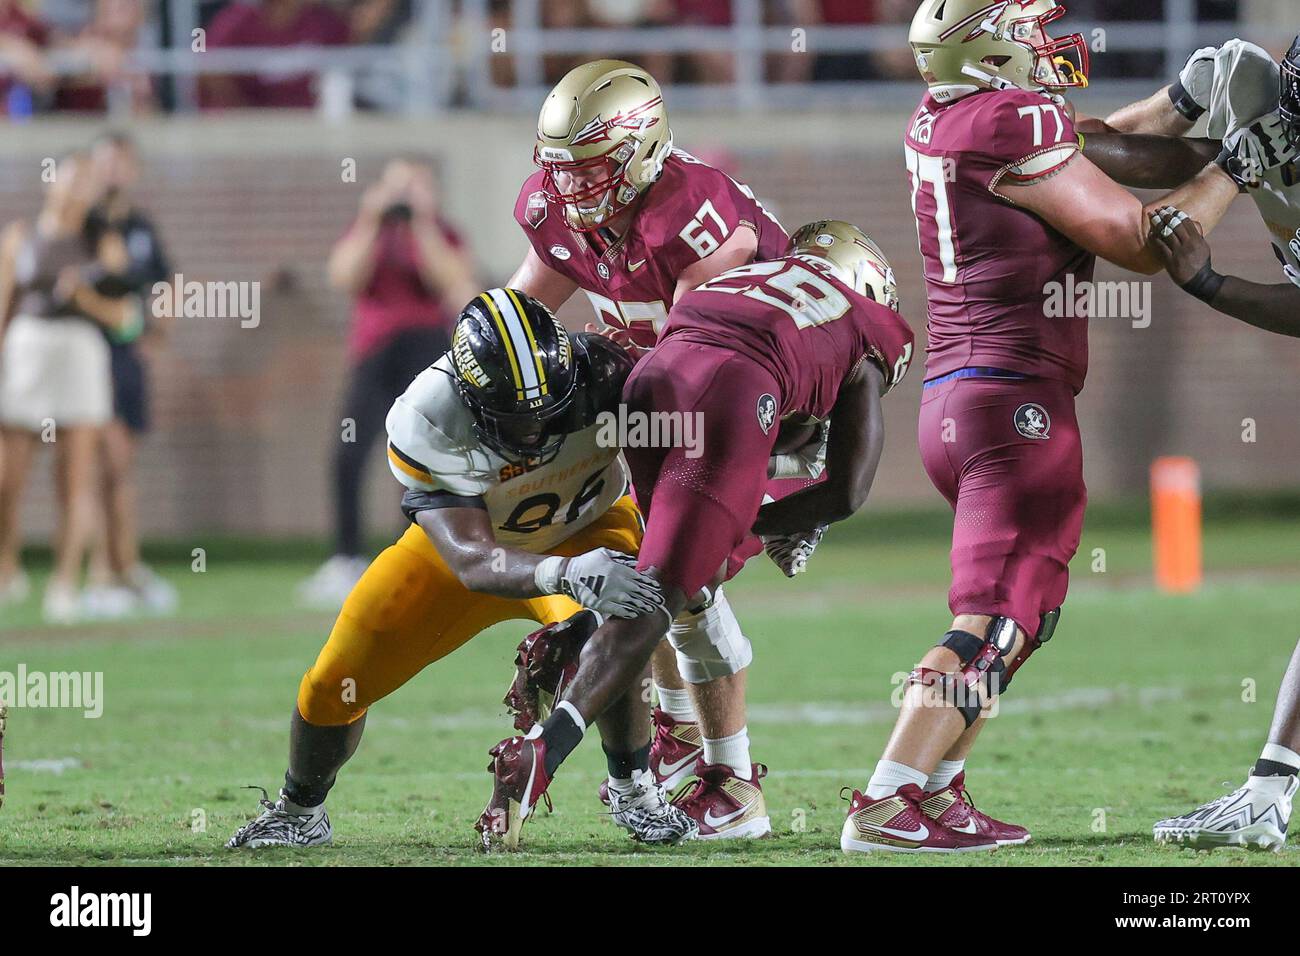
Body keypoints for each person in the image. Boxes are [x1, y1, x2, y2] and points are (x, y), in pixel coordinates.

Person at [839, 0, 1246, 854]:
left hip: (968, 398)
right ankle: (884, 800)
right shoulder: (1010, 114)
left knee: (1029, 610)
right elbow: (1142, 239)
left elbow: (1087, 146)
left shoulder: (954, 112)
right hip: (1009, 403)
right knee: (991, 617)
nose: (1043, 43)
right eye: (1022, 32)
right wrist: (1240, 167)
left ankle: (940, 790)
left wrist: (1183, 102)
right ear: (987, 53)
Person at [476, 220, 915, 849]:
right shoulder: (862, 323)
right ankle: (547, 753)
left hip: (653, 380)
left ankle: (598, 649)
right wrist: (757, 520)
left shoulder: (752, 279)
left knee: (688, 583)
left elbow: (779, 427)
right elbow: (847, 492)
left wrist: (733, 522)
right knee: (661, 591)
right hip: (730, 392)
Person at [228, 290, 697, 849]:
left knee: (616, 622)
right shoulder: (427, 416)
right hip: (476, 554)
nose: (534, 433)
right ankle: (299, 810)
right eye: (515, 419)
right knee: (334, 683)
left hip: (588, 528)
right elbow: (473, 558)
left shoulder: (608, 375)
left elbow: (688, 461)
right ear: (468, 396)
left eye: (550, 412)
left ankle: (634, 788)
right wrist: (565, 575)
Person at [507, 58, 798, 834]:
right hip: (666, 401)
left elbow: (695, 361)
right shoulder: (561, 211)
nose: (570, 189)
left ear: (641, 149)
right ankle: (673, 737)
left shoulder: (693, 213)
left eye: (591, 168)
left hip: (756, 404)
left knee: (678, 583)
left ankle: (733, 785)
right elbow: (519, 313)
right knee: (647, 572)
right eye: (560, 169)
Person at [1095, 34, 1300, 850]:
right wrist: (1052, 139)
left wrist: (1212, 283)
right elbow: (1150, 150)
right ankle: (1270, 788)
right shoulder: (1251, 83)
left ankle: (1269, 792)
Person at [298, 158, 477, 608]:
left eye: (415, 185)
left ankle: (415, 556)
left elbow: (453, 282)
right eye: (397, 186)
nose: (404, 195)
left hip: (427, 353)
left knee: (424, 461)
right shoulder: (369, 232)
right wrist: (370, 218)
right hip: (374, 353)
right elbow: (343, 276)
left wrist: (422, 222)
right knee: (348, 452)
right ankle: (346, 557)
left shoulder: (443, 233)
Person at [0, 152, 142, 623]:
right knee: (9, 476)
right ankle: (7, 566)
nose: (81, 185)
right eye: (73, 175)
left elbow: (125, 314)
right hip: (28, 351)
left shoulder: (102, 241)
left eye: (89, 179)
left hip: (80, 353)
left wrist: (84, 296)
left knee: (74, 478)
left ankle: (65, 582)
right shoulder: (22, 234)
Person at [76, 131, 177, 619]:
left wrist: (155, 333)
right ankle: (101, 574)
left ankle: (125, 569)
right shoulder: (82, 225)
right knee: (99, 465)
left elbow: (165, 284)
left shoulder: (142, 226)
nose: (113, 171)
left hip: (125, 357)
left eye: (121, 162)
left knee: (120, 466)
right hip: (85, 355)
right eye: (104, 162)